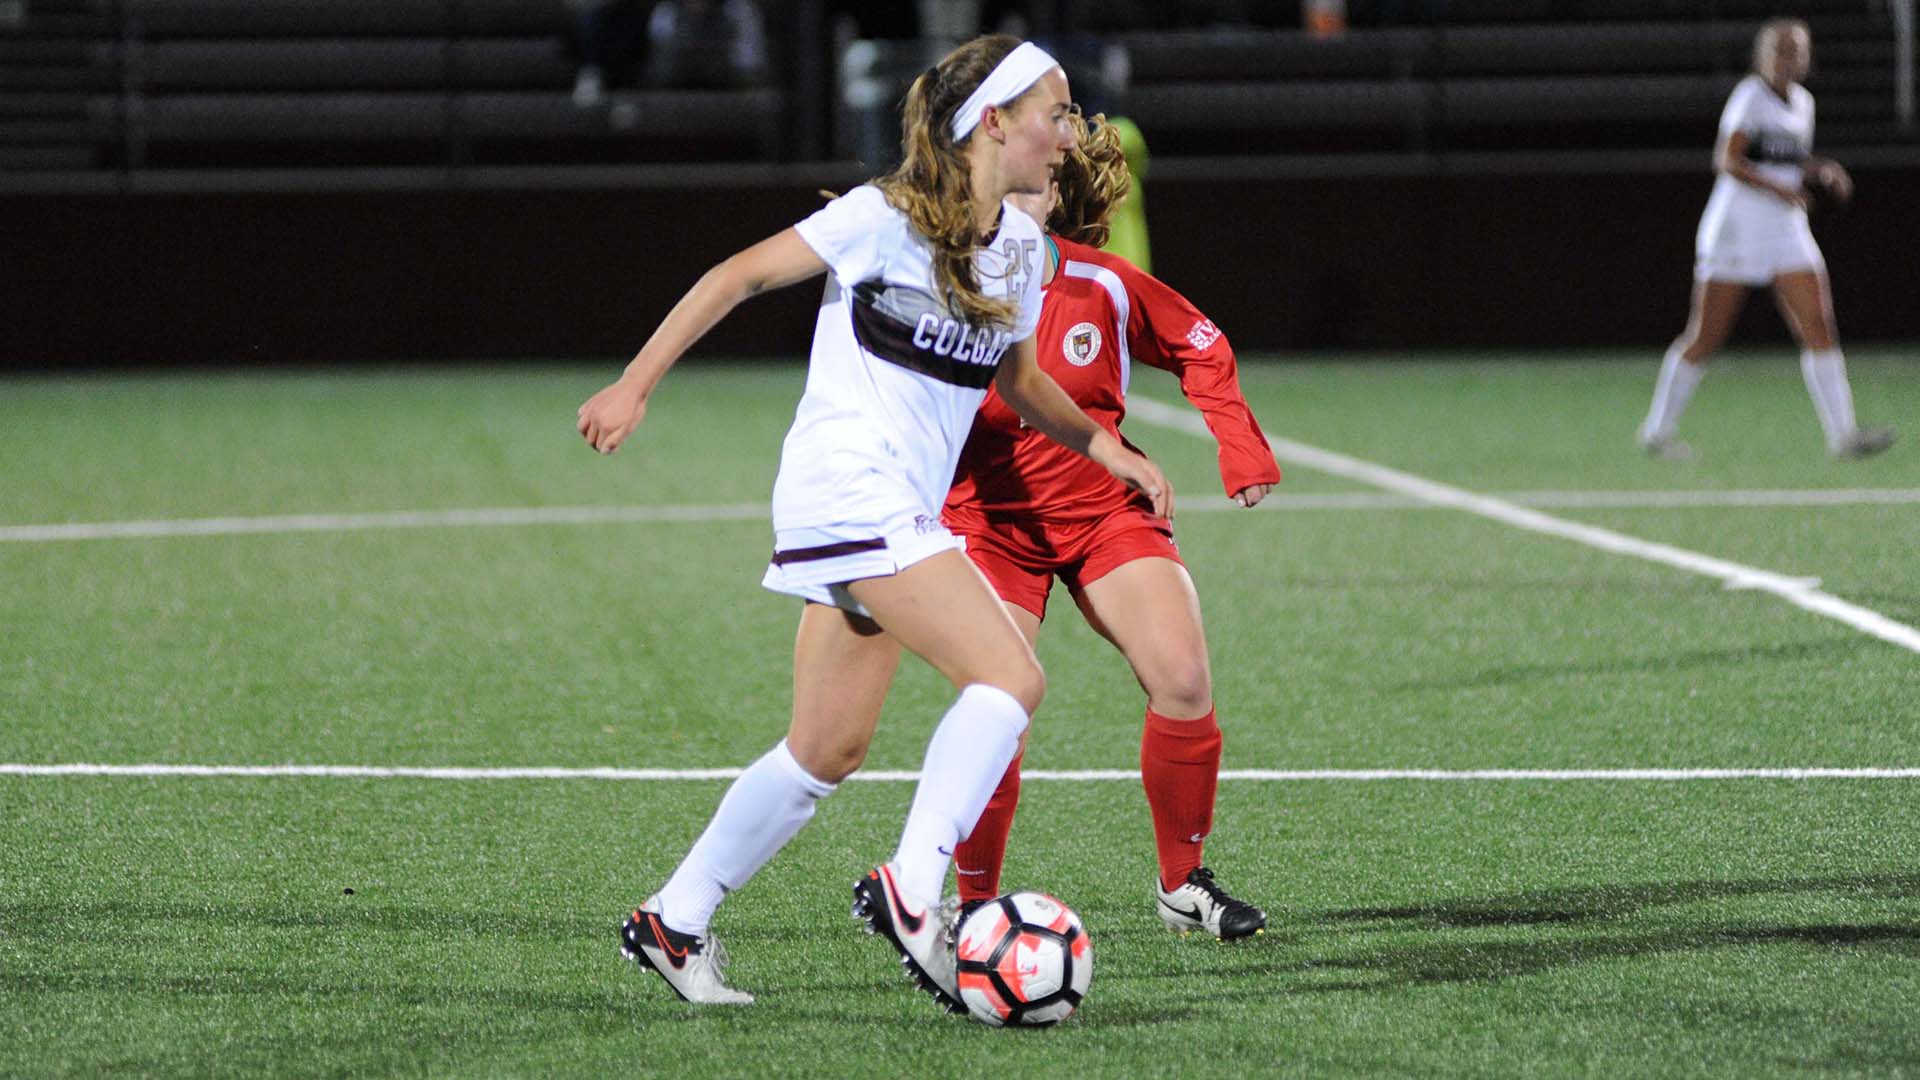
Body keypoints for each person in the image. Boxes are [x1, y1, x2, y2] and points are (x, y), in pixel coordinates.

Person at [576, 35, 1172, 1008]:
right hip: (851, 490)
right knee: (1011, 677)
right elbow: (736, 275)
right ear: (994, 123)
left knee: (827, 748)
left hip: (886, 511)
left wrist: (1106, 448)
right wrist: (633, 385)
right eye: (1056, 114)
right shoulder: (882, 217)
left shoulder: (1021, 250)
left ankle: (673, 921)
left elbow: (1019, 381)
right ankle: (914, 887)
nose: (1071, 135)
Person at [944, 113, 1279, 941]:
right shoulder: (947, 287)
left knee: (1183, 677)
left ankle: (1183, 883)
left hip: (1102, 510)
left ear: (1056, 197)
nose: (1019, 202)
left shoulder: (1104, 283)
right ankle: (975, 905)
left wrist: (1239, 447)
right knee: (997, 705)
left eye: (1036, 187)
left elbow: (1202, 343)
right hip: (989, 522)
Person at [1637, 18, 1893, 461]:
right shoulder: (1750, 97)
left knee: (1818, 323)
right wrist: (1780, 189)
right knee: (1706, 335)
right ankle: (1657, 431)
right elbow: (1728, 160)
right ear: (1763, 56)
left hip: (1784, 227)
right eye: (1780, 50)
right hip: (1737, 227)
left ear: (1808, 58)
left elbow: (1785, 158)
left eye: (1797, 51)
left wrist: (1819, 169)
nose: (1788, 59)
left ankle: (1844, 435)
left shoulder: (1804, 103)